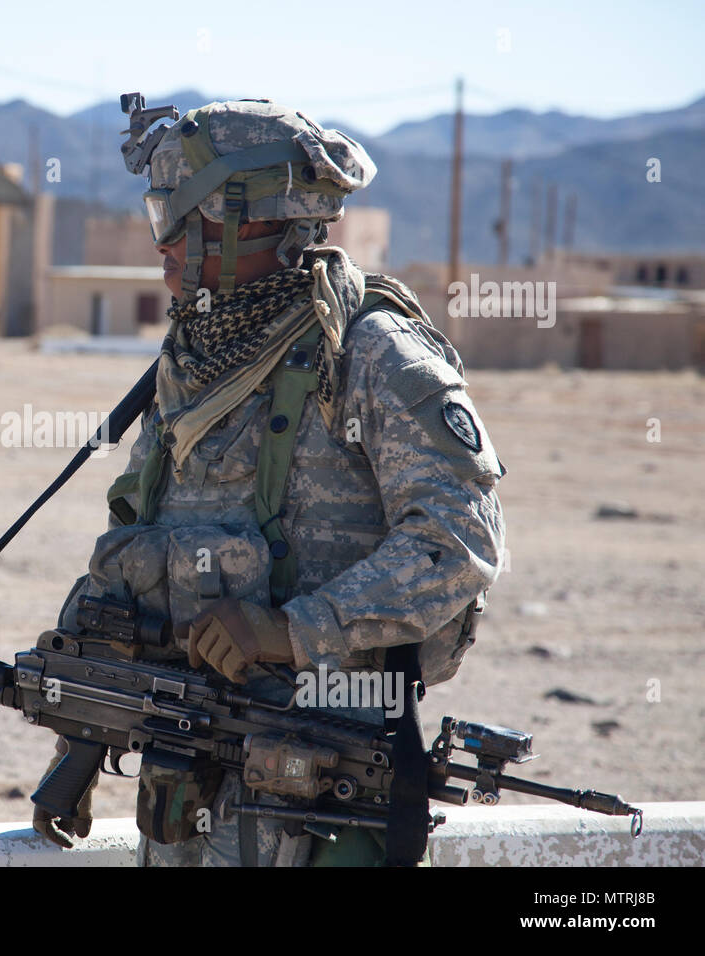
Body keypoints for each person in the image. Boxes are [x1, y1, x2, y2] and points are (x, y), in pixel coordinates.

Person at [32, 97, 507, 866]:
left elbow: (459, 544)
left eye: (178, 221)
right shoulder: (191, 361)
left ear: (252, 223)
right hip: (187, 785)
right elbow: (141, 547)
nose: (163, 248)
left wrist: (293, 631)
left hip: (320, 786)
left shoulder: (373, 356)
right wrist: (86, 718)